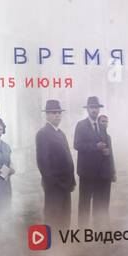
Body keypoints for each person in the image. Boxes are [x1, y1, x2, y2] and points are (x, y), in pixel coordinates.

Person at [35, 99, 74, 230]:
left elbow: (68, 158)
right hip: (54, 186)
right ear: (47, 115)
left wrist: (71, 180)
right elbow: (43, 163)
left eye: (59, 112)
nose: (57, 115)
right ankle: (51, 248)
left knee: (65, 218)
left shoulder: (61, 133)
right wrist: (54, 183)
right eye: (53, 112)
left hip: (66, 184)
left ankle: (63, 248)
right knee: (53, 217)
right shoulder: (43, 134)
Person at [73, 95, 111, 228]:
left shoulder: (101, 126)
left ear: (99, 109)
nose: (94, 110)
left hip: (101, 173)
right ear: (87, 109)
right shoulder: (81, 125)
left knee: (98, 204)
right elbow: (77, 145)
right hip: (87, 173)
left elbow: (105, 143)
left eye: (96, 108)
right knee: (84, 203)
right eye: (92, 108)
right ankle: (82, 232)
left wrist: (106, 151)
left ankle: (97, 231)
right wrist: (95, 147)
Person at [95, 112, 117, 227]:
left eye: (106, 121)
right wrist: (100, 151)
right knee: (98, 199)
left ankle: (105, 222)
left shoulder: (108, 137)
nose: (105, 123)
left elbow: (111, 155)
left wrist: (113, 172)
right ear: (98, 123)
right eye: (102, 121)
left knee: (106, 199)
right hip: (97, 174)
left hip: (107, 173)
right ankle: (97, 224)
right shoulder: (95, 136)